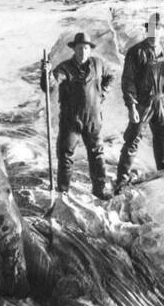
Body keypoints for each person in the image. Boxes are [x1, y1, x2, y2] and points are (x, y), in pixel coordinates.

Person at [114, 12, 164, 192]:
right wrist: (131, 105)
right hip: (143, 103)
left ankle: (163, 177)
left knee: (162, 138)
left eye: (158, 28)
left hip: (162, 102)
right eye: (152, 28)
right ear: (146, 29)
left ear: (162, 31)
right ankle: (121, 180)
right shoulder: (136, 52)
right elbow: (128, 81)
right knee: (133, 139)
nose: (155, 32)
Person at [43, 32, 114, 199]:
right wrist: (46, 75)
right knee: (65, 154)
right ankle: (63, 191)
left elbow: (111, 76)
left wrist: (101, 93)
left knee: (96, 153)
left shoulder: (98, 64)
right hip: (71, 119)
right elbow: (50, 85)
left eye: (86, 48)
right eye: (80, 48)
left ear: (90, 50)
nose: (83, 52)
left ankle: (99, 189)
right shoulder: (64, 67)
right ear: (74, 49)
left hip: (93, 118)